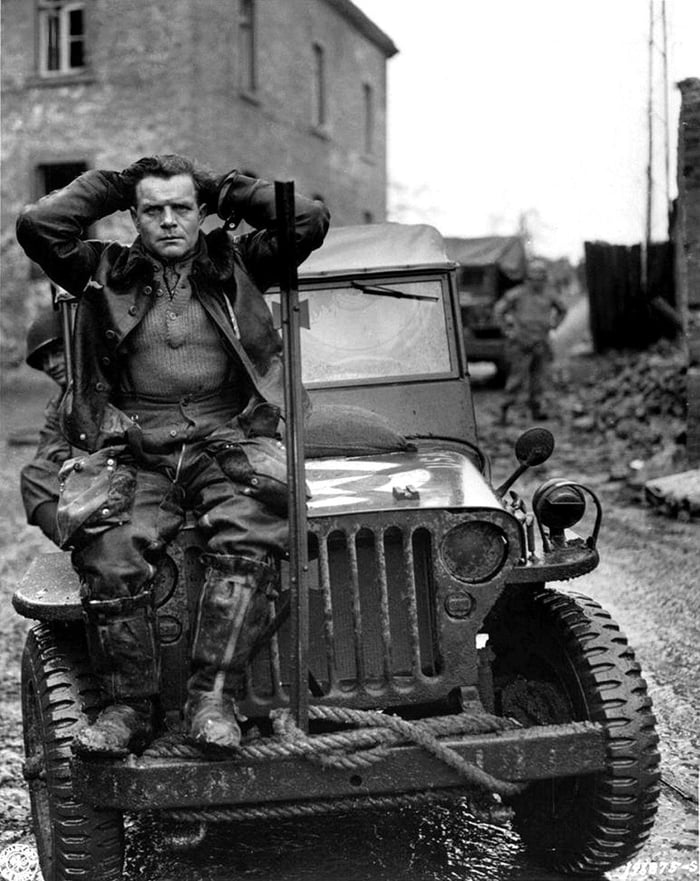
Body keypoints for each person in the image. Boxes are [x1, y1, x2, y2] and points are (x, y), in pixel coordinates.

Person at [16, 155, 330, 757]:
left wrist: (219, 187)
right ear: (133, 216)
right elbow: (40, 225)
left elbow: (307, 219)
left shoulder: (237, 262)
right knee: (108, 547)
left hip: (228, 437)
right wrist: (117, 182)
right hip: (134, 444)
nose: (167, 221)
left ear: (199, 210)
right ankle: (128, 707)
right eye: (152, 210)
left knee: (254, 530)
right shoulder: (102, 269)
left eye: (181, 207)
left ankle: (213, 698)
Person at [494, 257, 567, 423]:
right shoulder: (517, 293)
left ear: (545, 279)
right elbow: (499, 310)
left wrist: (555, 325)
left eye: (540, 278)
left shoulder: (550, 294)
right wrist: (508, 330)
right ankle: (504, 412)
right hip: (521, 342)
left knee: (538, 380)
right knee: (516, 379)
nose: (537, 282)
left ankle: (536, 410)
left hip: (541, 342)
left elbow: (563, 309)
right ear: (528, 278)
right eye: (534, 278)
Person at [20, 308, 71, 546]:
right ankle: (83, 548)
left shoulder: (103, 385)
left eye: (58, 353)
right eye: (44, 361)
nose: (51, 365)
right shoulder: (58, 403)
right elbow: (46, 455)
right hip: (76, 476)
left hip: (114, 472)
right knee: (33, 477)